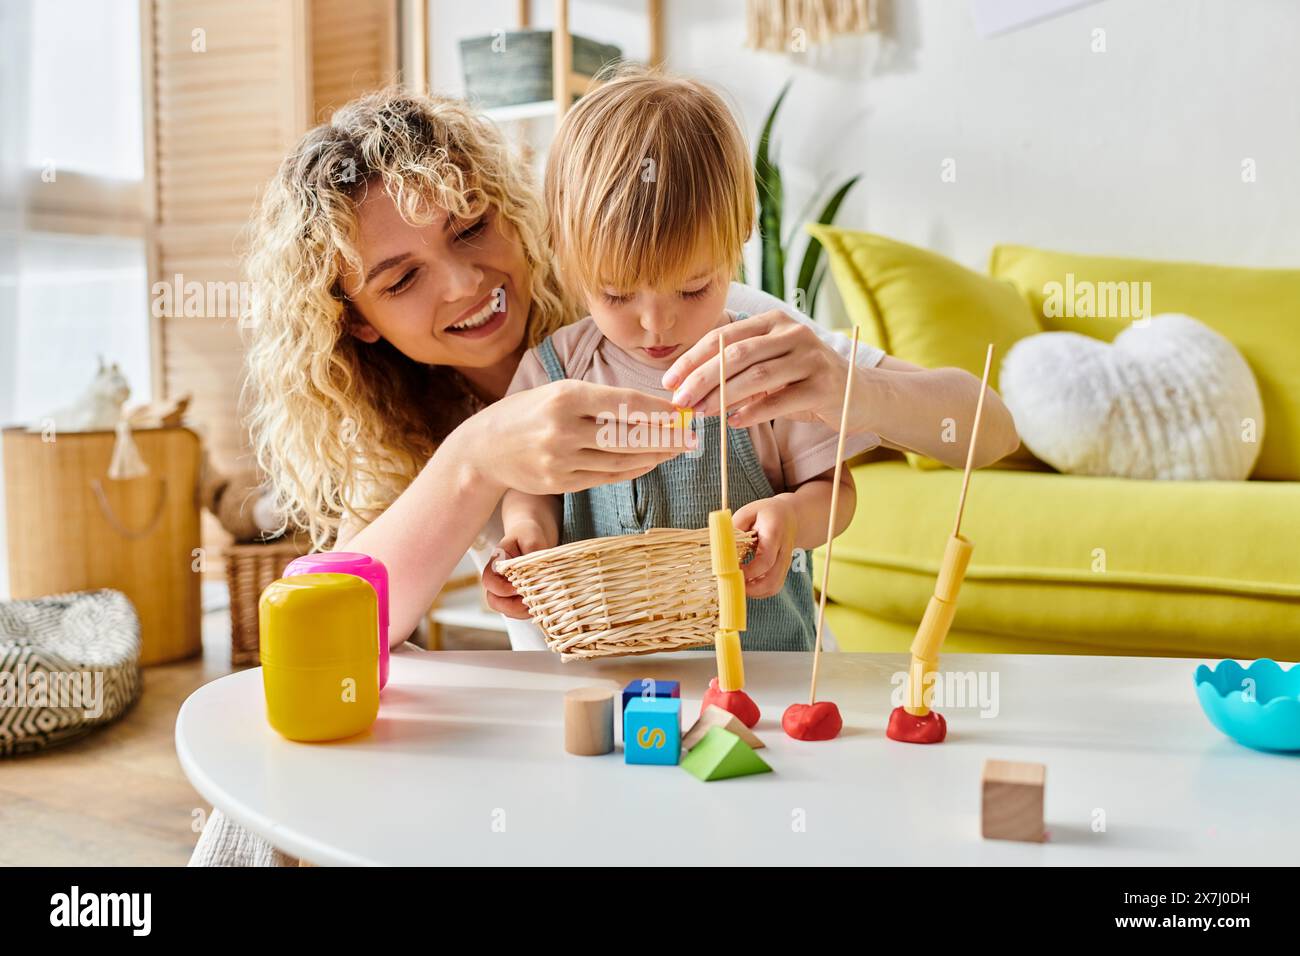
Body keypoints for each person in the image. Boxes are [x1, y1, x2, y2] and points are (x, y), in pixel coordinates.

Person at [192, 83, 1018, 865]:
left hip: (766, 705)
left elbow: (990, 429)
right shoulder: (419, 420)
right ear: (356, 322)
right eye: (400, 278)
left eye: (471, 227)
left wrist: (851, 389)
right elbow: (339, 631)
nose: (465, 282)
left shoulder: (719, 323)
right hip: (601, 742)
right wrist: (477, 459)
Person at [489, 69, 875, 651]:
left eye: (693, 288)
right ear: (564, 256)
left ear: (740, 238)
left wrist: (793, 517)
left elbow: (835, 490)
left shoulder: (763, 364)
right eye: (617, 294)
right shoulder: (552, 371)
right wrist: (527, 533)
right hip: (610, 674)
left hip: (766, 674)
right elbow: (529, 487)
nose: (655, 324)